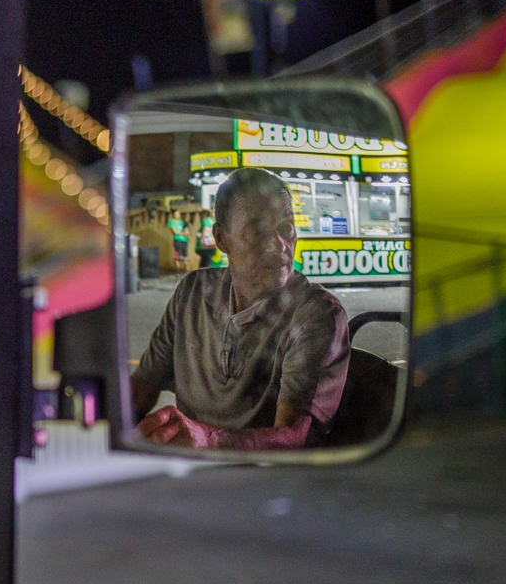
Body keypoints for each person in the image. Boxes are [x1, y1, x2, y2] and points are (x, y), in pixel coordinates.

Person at [132, 167, 350, 451]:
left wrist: (208, 439)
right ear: (222, 240)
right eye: (257, 231)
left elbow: (296, 437)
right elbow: (141, 389)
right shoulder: (193, 293)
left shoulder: (316, 315)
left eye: (285, 228)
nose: (278, 245)